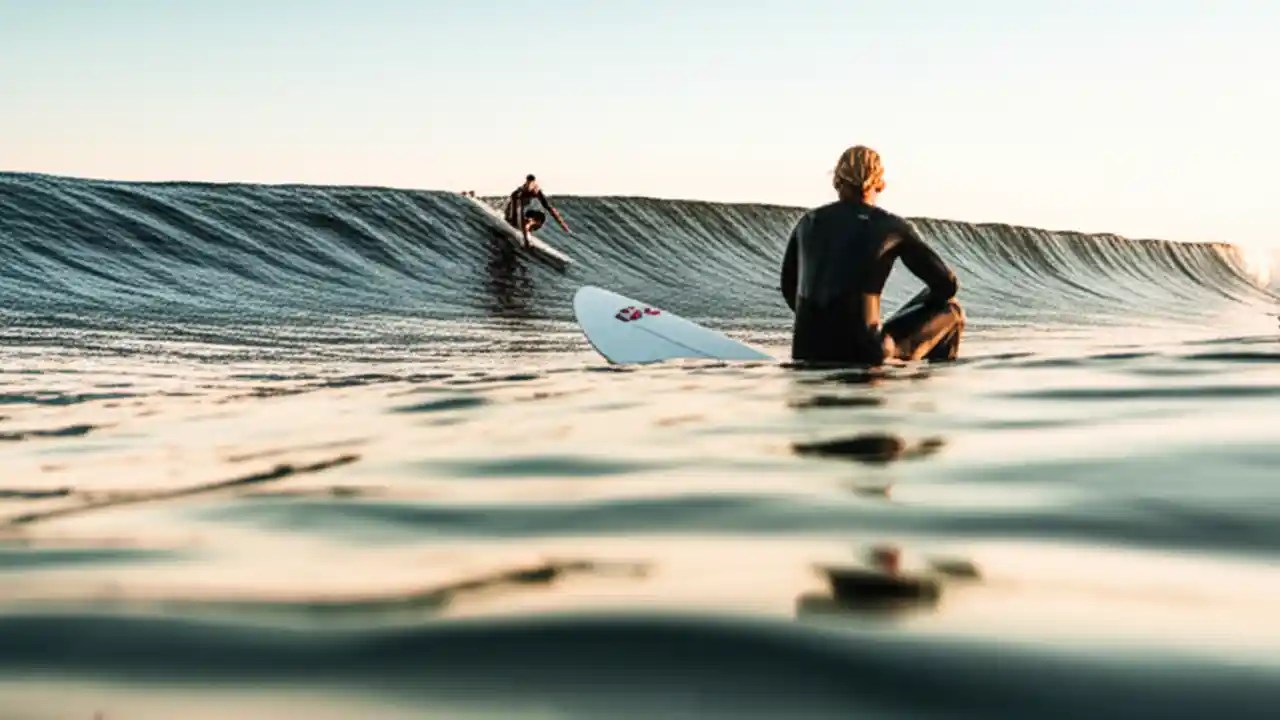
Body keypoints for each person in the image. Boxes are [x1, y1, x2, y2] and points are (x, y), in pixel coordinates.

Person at [780, 145, 964, 365]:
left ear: (837, 181)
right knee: (951, 309)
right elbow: (947, 284)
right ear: (879, 183)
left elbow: (789, 289)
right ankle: (930, 392)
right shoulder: (891, 227)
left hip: (806, 351)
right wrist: (925, 301)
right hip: (865, 354)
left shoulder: (807, 224)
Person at [504, 174, 570, 246]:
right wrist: (526, 240)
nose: (530, 188)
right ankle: (525, 230)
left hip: (521, 211)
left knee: (540, 216)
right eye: (528, 185)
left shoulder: (536, 190)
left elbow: (549, 208)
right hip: (513, 212)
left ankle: (526, 229)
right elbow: (518, 212)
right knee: (521, 221)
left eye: (532, 185)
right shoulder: (518, 194)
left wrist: (562, 223)